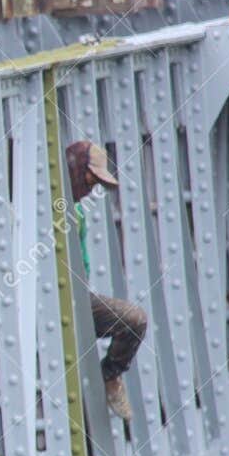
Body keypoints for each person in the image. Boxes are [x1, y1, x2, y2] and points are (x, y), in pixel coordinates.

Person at [66, 140, 147, 422]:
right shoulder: (44, 207)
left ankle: (109, 375)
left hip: (77, 299)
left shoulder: (77, 212)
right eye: (91, 179)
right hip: (45, 304)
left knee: (134, 320)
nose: (91, 189)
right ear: (75, 169)